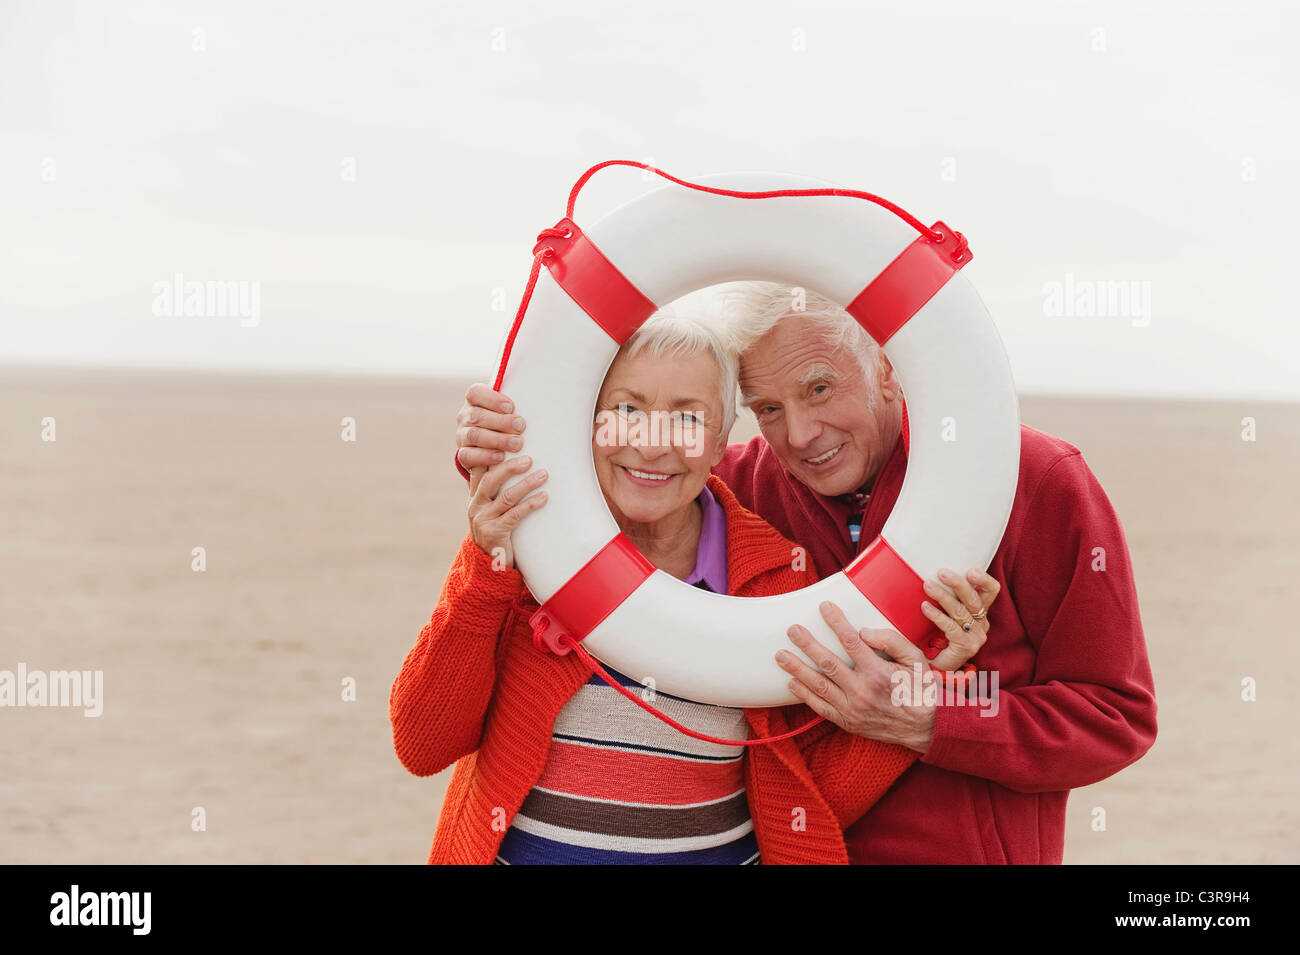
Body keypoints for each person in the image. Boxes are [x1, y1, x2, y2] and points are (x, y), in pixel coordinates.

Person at [454, 282, 1159, 865]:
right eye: (767, 407)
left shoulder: (1031, 481)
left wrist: (935, 717)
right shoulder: (739, 492)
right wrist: (495, 450)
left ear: (889, 365)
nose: (799, 433)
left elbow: (1115, 716)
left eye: (820, 388)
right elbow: (625, 490)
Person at [393, 311, 992, 864]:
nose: (653, 443)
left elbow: (809, 799)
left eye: (687, 416)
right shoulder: (530, 549)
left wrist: (923, 678)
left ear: (721, 437)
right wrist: (482, 570)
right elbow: (423, 744)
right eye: (627, 409)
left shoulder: (775, 577)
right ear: (588, 422)